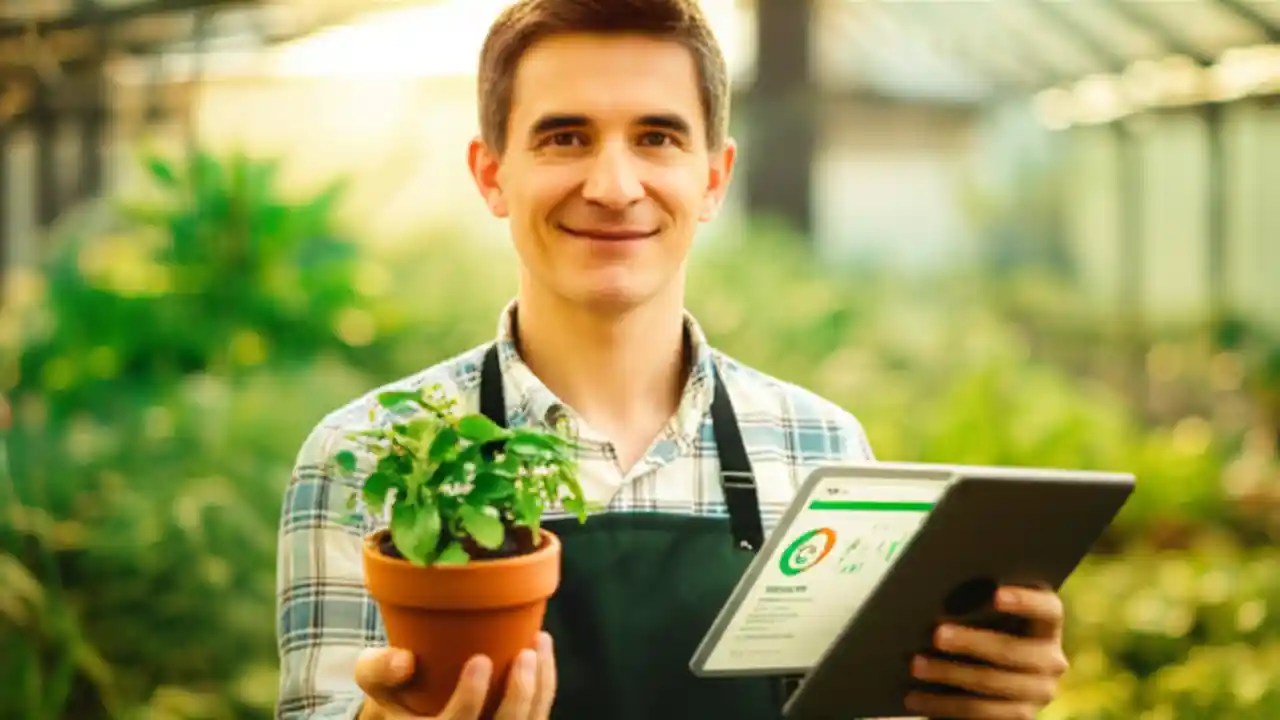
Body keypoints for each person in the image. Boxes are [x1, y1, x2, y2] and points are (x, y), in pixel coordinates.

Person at [275, 1, 1071, 719]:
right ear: (492, 175)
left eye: (656, 138)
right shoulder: (366, 456)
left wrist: (966, 706)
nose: (616, 185)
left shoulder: (819, 448)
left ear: (714, 177)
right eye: (565, 137)